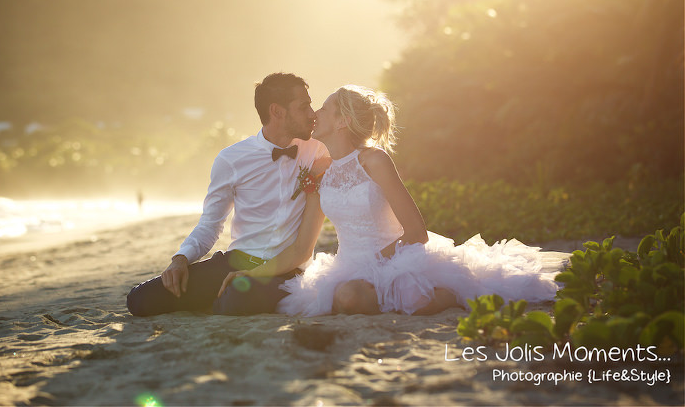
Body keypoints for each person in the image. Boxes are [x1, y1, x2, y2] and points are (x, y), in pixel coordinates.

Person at [220, 85, 561, 316]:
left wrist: (374, 265)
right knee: (343, 295)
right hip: (347, 266)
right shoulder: (320, 171)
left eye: (324, 108)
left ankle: (454, 291)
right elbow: (300, 251)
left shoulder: (374, 160)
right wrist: (254, 273)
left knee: (361, 296)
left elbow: (416, 231)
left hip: (397, 258)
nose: (315, 114)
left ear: (343, 121)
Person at [126, 73, 328, 316]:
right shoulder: (231, 159)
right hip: (236, 261)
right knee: (140, 301)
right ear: (277, 111)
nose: (312, 114)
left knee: (236, 300)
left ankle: (219, 298)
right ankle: (213, 295)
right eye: (304, 106)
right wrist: (180, 258)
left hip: (286, 269)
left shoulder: (318, 150)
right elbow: (211, 223)